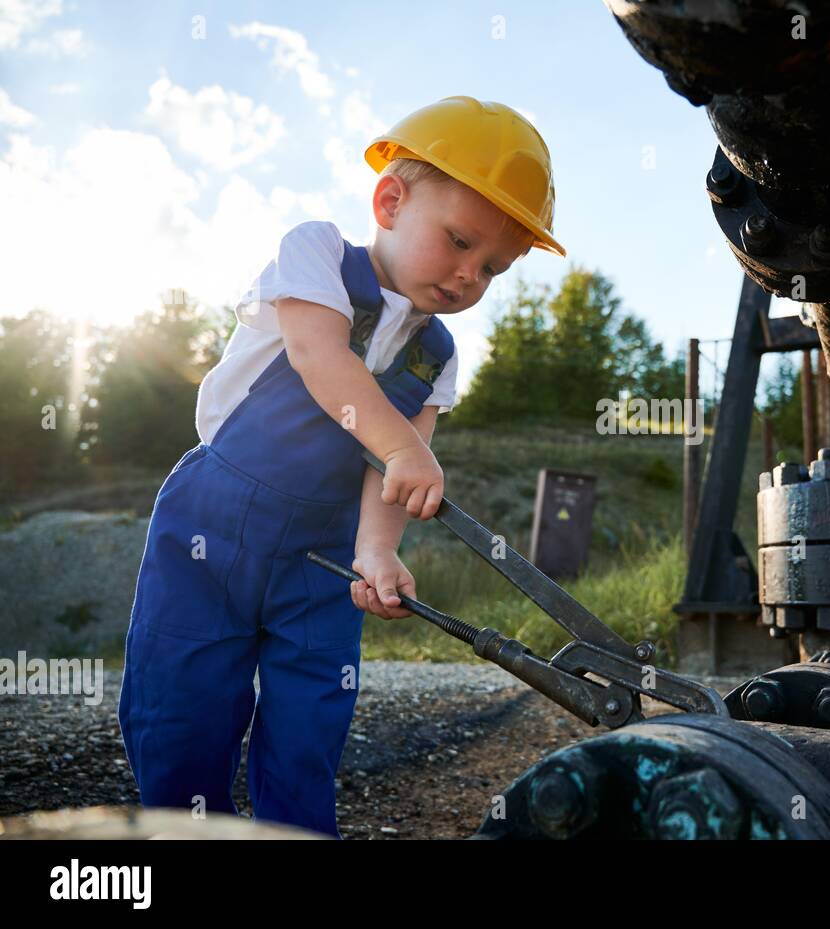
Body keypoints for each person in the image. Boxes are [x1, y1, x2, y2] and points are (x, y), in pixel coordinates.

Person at [117, 96, 565, 838]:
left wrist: (376, 550)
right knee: (183, 704)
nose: (467, 275)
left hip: (323, 561)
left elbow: (387, 473)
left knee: (310, 716)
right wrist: (401, 447)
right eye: (458, 241)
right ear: (390, 200)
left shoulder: (437, 355)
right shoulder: (317, 255)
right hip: (212, 523)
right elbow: (320, 360)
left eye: (492, 266)